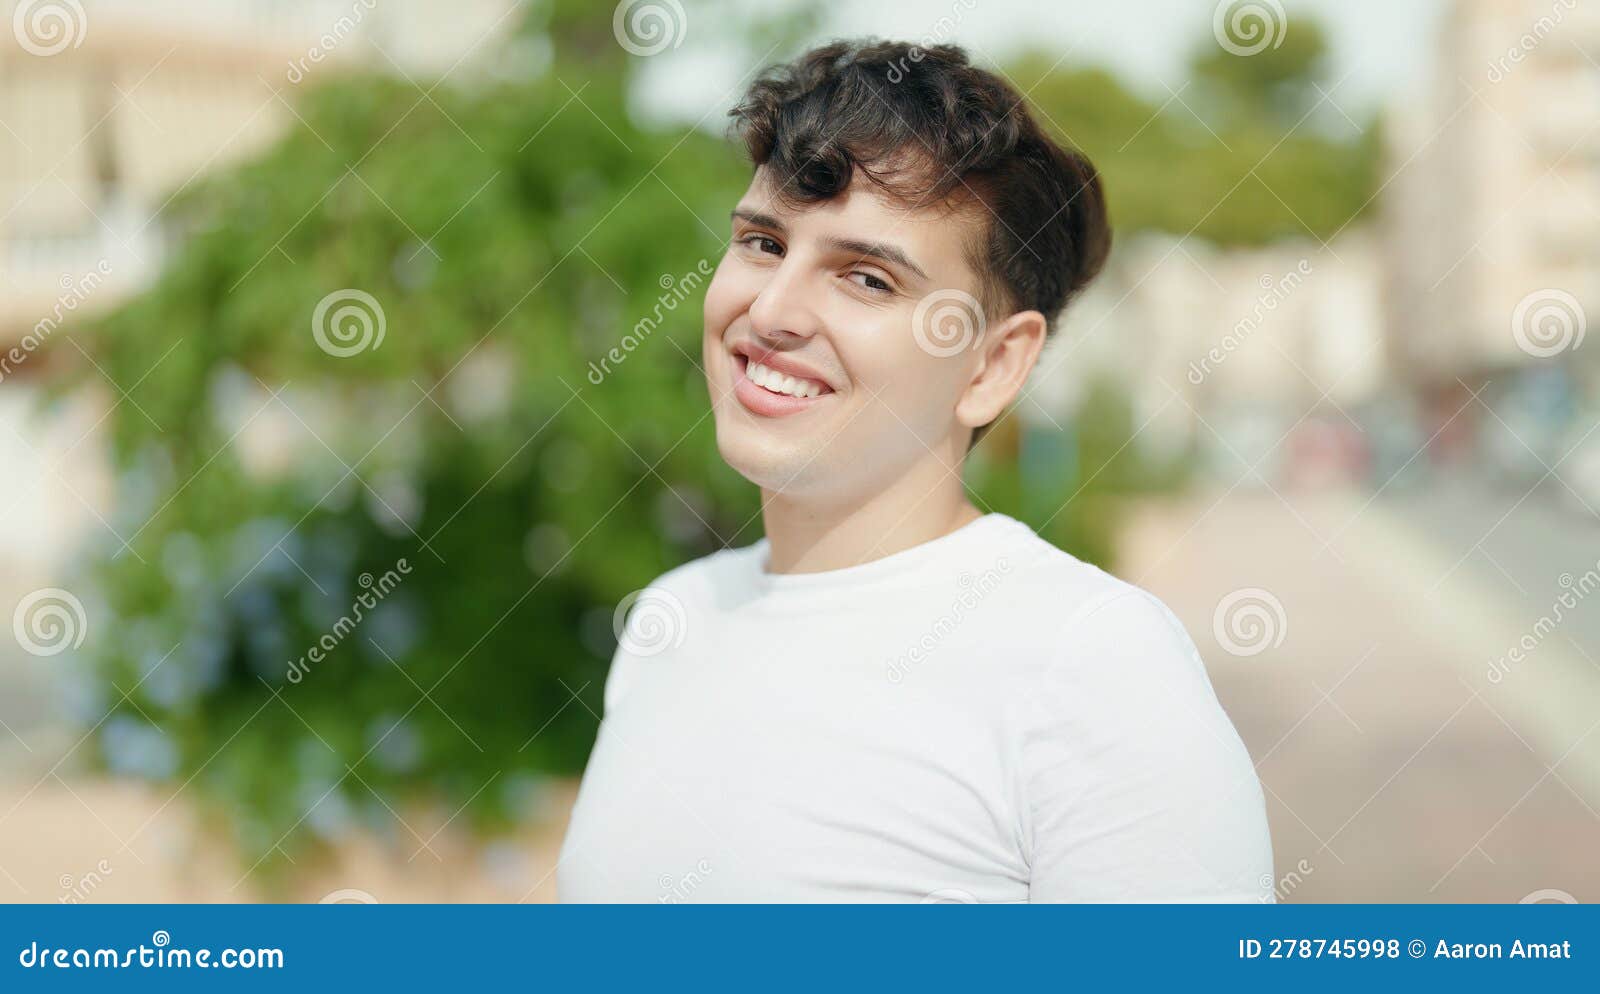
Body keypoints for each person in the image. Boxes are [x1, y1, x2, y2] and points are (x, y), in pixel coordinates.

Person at [558, 39, 1273, 903]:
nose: (772, 311)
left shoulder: (1092, 666)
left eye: (866, 279)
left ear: (993, 366)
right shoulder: (674, 618)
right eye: (763, 242)